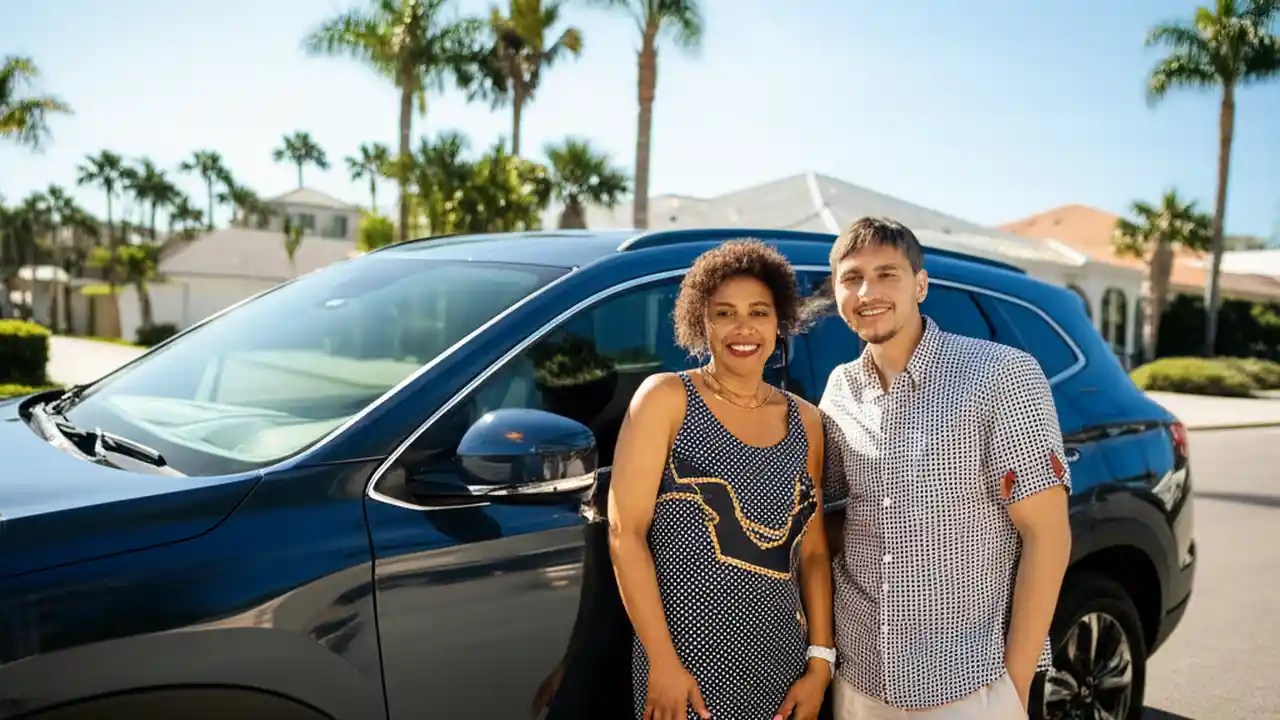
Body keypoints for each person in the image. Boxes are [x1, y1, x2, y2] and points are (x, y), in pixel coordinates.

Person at [817, 217, 1072, 719]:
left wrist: (1012, 692)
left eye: (887, 274)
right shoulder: (839, 389)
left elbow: (1048, 535)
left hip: (968, 686)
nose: (867, 291)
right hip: (861, 683)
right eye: (852, 278)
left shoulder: (999, 375)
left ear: (921, 283)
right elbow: (834, 523)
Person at [607, 239, 836, 720]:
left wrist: (820, 664)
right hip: (682, 670)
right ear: (700, 321)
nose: (744, 328)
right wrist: (661, 662)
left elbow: (812, 553)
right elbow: (625, 535)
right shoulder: (667, 399)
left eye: (759, 312)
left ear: (780, 322)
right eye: (724, 313)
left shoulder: (806, 421)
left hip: (781, 669)